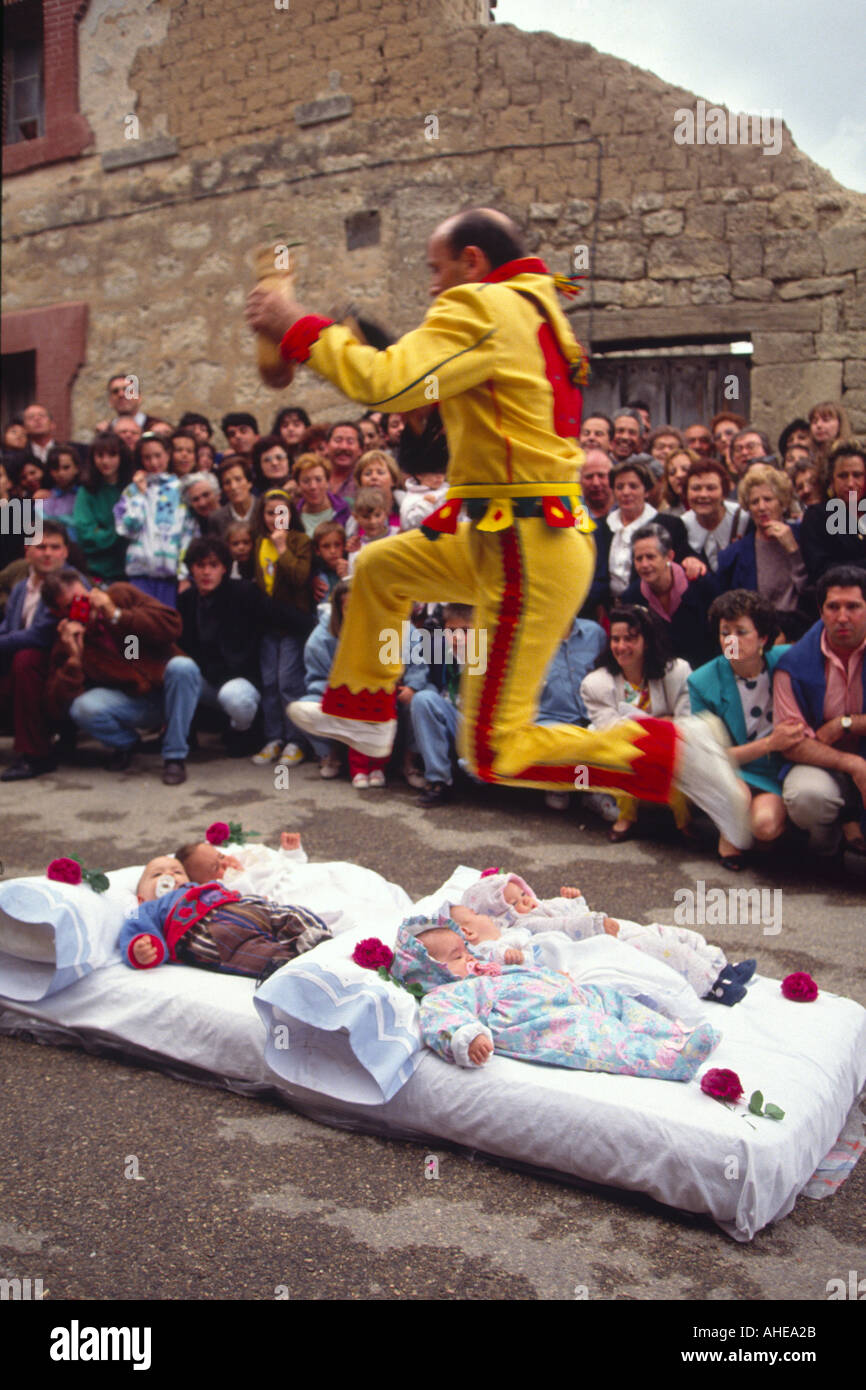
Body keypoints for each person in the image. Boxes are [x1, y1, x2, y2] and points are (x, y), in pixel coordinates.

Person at [246, 206, 751, 848]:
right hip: (506, 534)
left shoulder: (482, 305)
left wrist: (299, 329)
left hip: (521, 546)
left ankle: (670, 753)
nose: (431, 286)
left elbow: (388, 383)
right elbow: (448, 412)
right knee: (378, 567)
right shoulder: (533, 309)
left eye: (436, 270)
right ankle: (364, 710)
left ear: (473, 263)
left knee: (493, 750)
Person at [389, 912, 720, 1081]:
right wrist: (468, 1037)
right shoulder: (445, 992)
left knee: (614, 1002)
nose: (468, 957)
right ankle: (669, 1061)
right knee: (598, 1036)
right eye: (456, 957)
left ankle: (674, 1034)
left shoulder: (486, 969)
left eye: (465, 949)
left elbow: (522, 974)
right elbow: (441, 1018)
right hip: (536, 1022)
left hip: (565, 994)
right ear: (431, 971)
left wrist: (550, 978)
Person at [457, 876, 755, 1005]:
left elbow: (573, 911)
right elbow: (566, 926)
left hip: (614, 926)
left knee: (668, 932)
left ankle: (720, 964)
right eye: (516, 903)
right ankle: (713, 986)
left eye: (524, 894)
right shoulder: (527, 926)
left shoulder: (541, 903)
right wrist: (595, 922)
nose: (527, 902)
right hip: (605, 937)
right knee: (661, 951)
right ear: (502, 915)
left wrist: (574, 899)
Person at [41, 567, 201, 784]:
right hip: (133, 702)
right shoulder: (68, 640)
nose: (84, 606)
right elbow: (56, 704)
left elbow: (172, 625)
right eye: (72, 605)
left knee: (183, 667)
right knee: (82, 708)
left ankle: (174, 757)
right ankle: (128, 744)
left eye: (84, 597)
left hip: (170, 690)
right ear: (57, 612)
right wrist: (74, 660)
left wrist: (117, 615)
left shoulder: (119, 595)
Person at [688, 591, 800, 869]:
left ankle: (757, 832)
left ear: (763, 637)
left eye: (741, 631)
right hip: (731, 767)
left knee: (765, 827)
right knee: (737, 798)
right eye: (725, 632)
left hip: (776, 771)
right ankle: (731, 834)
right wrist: (769, 744)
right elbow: (712, 755)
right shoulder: (701, 681)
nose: (731, 640)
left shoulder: (787, 660)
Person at [773, 565, 866, 860]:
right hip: (823, 763)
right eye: (833, 607)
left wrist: (846, 724)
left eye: (853, 607)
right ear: (821, 611)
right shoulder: (793, 663)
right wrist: (853, 764)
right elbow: (792, 743)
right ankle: (828, 841)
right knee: (806, 796)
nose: (842, 617)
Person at [580, 605, 692, 843]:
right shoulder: (596, 683)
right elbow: (611, 730)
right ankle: (626, 816)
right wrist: (661, 724)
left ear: (647, 640)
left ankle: (684, 819)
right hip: (628, 750)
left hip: (669, 750)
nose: (621, 647)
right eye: (616, 639)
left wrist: (651, 729)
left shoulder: (678, 672)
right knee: (615, 748)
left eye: (630, 639)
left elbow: (686, 722)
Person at [118, 860, 331, 981]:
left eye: (177, 871)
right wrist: (142, 947)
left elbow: (229, 891)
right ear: (140, 896)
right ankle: (299, 963)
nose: (170, 876)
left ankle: (317, 938)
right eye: (157, 875)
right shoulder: (148, 907)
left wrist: (250, 902)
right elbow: (136, 927)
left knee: (285, 914)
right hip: (200, 928)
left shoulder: (199, 887)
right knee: (249, 954)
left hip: (236, 906)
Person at [177, 536, 282, 750]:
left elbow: (279, 615)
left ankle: (242, 732)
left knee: (235, 697)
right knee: (176, 673)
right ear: (192, 569)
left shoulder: (243, 592)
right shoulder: (186, 599)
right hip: (207, 680)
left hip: (240, 681)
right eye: (200, 566)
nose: (206, 572)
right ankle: (183, 736)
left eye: (213, 565)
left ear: (224, 568)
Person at [0, 523, 75, 782]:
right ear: (27, 551)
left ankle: (36, 755)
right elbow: (9, 625)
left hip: (63, 666)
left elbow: (41, 636)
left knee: (26, 658)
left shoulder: (70, 584)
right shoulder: (22, 586)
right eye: (40, 547)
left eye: (55, 547)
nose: (48, 553)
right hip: (25, 661)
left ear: (65, 552)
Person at [250, 488, 315, 768]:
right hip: (268, 624)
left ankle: (297, 740)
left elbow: (300, 577)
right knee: (269, 683)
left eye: (281, 512)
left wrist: (281, 548)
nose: (275, 518)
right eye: (269, 513)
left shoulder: (300, 541)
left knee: (289, 682)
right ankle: (275, 736)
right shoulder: (258, 542)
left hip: (291, 624)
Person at [113, 432, 197, 606]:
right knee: (141, 627)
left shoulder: (182, 489)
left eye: (158, 455)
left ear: (168, 454)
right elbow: (127, 529)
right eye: (147, 457)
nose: (153, 463)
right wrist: (140, 495)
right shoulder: (132, 491)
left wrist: (184, 574)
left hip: (171, 576)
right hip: (139, 573)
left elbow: (189, 534)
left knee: (167, 626)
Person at [621, 522, 718, 668]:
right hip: (661, 679)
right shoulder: (632, 598)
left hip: (709, 676)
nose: (644, 564)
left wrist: (732, 667)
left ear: (669, 556)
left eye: (650, 557)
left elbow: (731, 632)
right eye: (638, 559)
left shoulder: (702, 585)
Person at [715, 465, 807, 614]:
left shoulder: (803, 537)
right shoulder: (734, 554)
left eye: (768, 499)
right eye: (754, 502)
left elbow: (811, 592)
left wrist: (793, 551)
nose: (761, 507)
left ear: (782, 502)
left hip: (800, 627)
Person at [799, 441, 865, 584]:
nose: (850, 483)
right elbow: (819, 569)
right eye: (842, 476)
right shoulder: (817, 517)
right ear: (831, 480)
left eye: (857, 475)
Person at [73, 434, 133, 582]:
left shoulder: (132, 488)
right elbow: (86, 533)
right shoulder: (87, 491)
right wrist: (120, 535)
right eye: (100, 455)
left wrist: (106, 533)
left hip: (131, 567)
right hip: (97, 570)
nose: (105, 461)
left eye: (112, 455)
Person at [681, 458, 749, 571]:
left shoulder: (743, 518)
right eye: (696, 488)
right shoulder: (682, 526)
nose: (703, 494)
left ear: (724, 492)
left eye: (711, 488)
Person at [293, 452, 350, 536]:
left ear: (327, 482)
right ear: (298, 485)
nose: (313, 486)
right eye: (306, 481)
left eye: (318, 480)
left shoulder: (344, 510)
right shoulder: (293, 516)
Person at [42, 445, 81, 538]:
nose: (61, 473)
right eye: (56, 469)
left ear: (76, 468)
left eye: (66, 467)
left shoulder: (86, 494)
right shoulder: (46, 497)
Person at [213, 455, 257, 534]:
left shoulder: (265, 509)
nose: (233, 487)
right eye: (227, 482)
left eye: (238, 479)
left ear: (249, 482)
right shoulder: (217, 519)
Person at [325, 421, 363, 499]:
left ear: (360, 449)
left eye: (350, 442)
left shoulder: (365, 481)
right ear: (327, 446)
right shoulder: (316, 477)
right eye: (338, 440)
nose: (343, 447)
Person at [311, 520, 348, 600]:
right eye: (326, 546)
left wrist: (346, 577)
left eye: (337, 545)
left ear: (344, 546)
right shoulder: (315, 574)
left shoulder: (352, 567)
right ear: (317, 550)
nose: (332, 551)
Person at [579, 447, 613, 521]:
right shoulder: (574, 511)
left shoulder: (625, 509)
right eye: (589, 477)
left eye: (601, 475)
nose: (596, 483)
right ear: (580, 480)